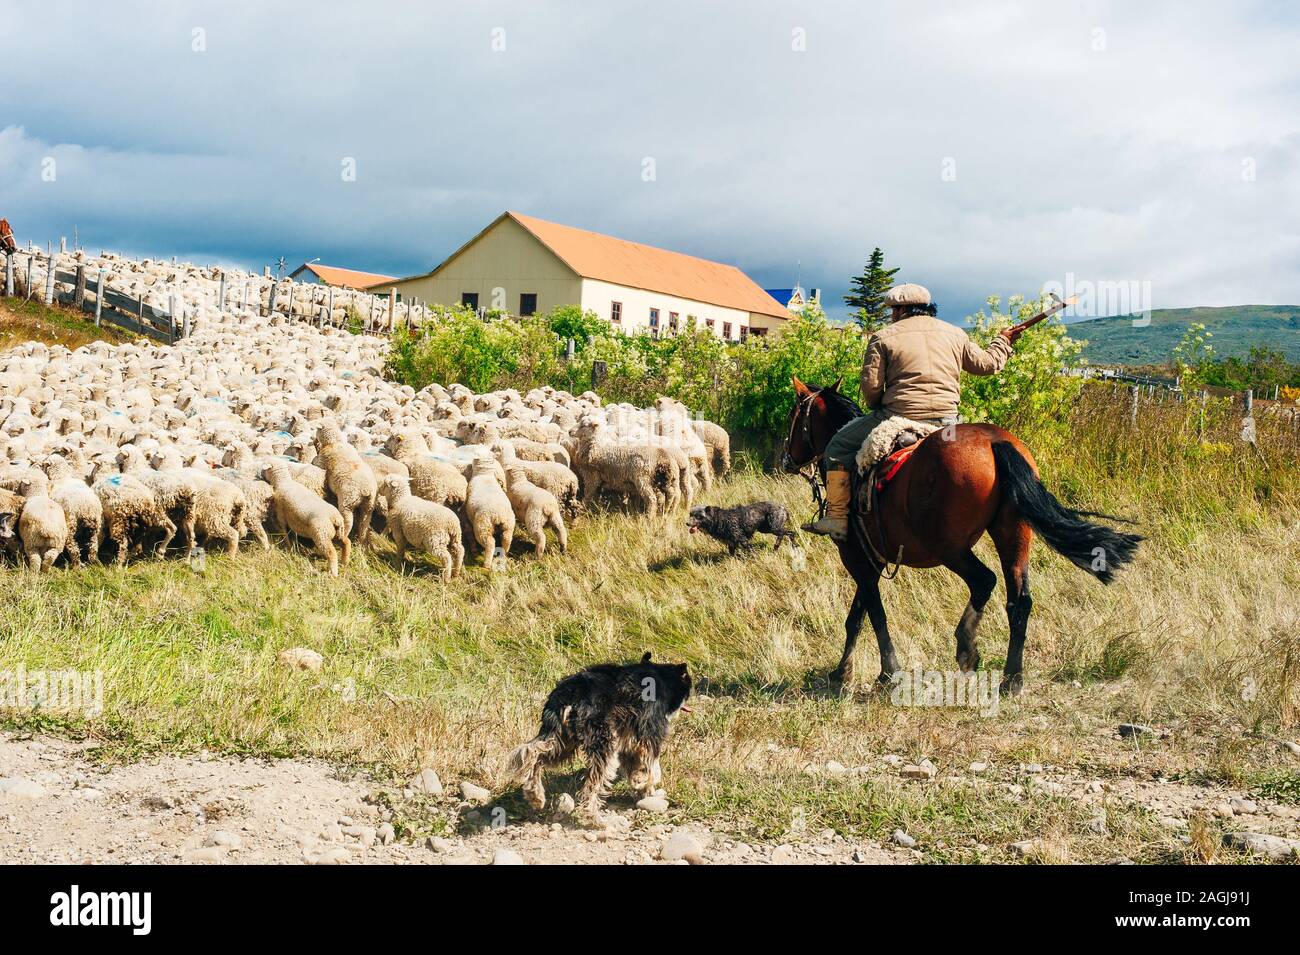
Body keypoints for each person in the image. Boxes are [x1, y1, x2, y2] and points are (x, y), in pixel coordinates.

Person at [803, 283, 1023, 540]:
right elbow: (987, 364)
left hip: (898, 418)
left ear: (901, 310)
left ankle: (837, 518)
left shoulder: (883, 337)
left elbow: (871, 389)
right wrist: (1003, 341)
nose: (891, 315)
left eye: (893, 310)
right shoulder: (955, 333)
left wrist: (878, 406)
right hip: (948, 423)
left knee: (837, 447)